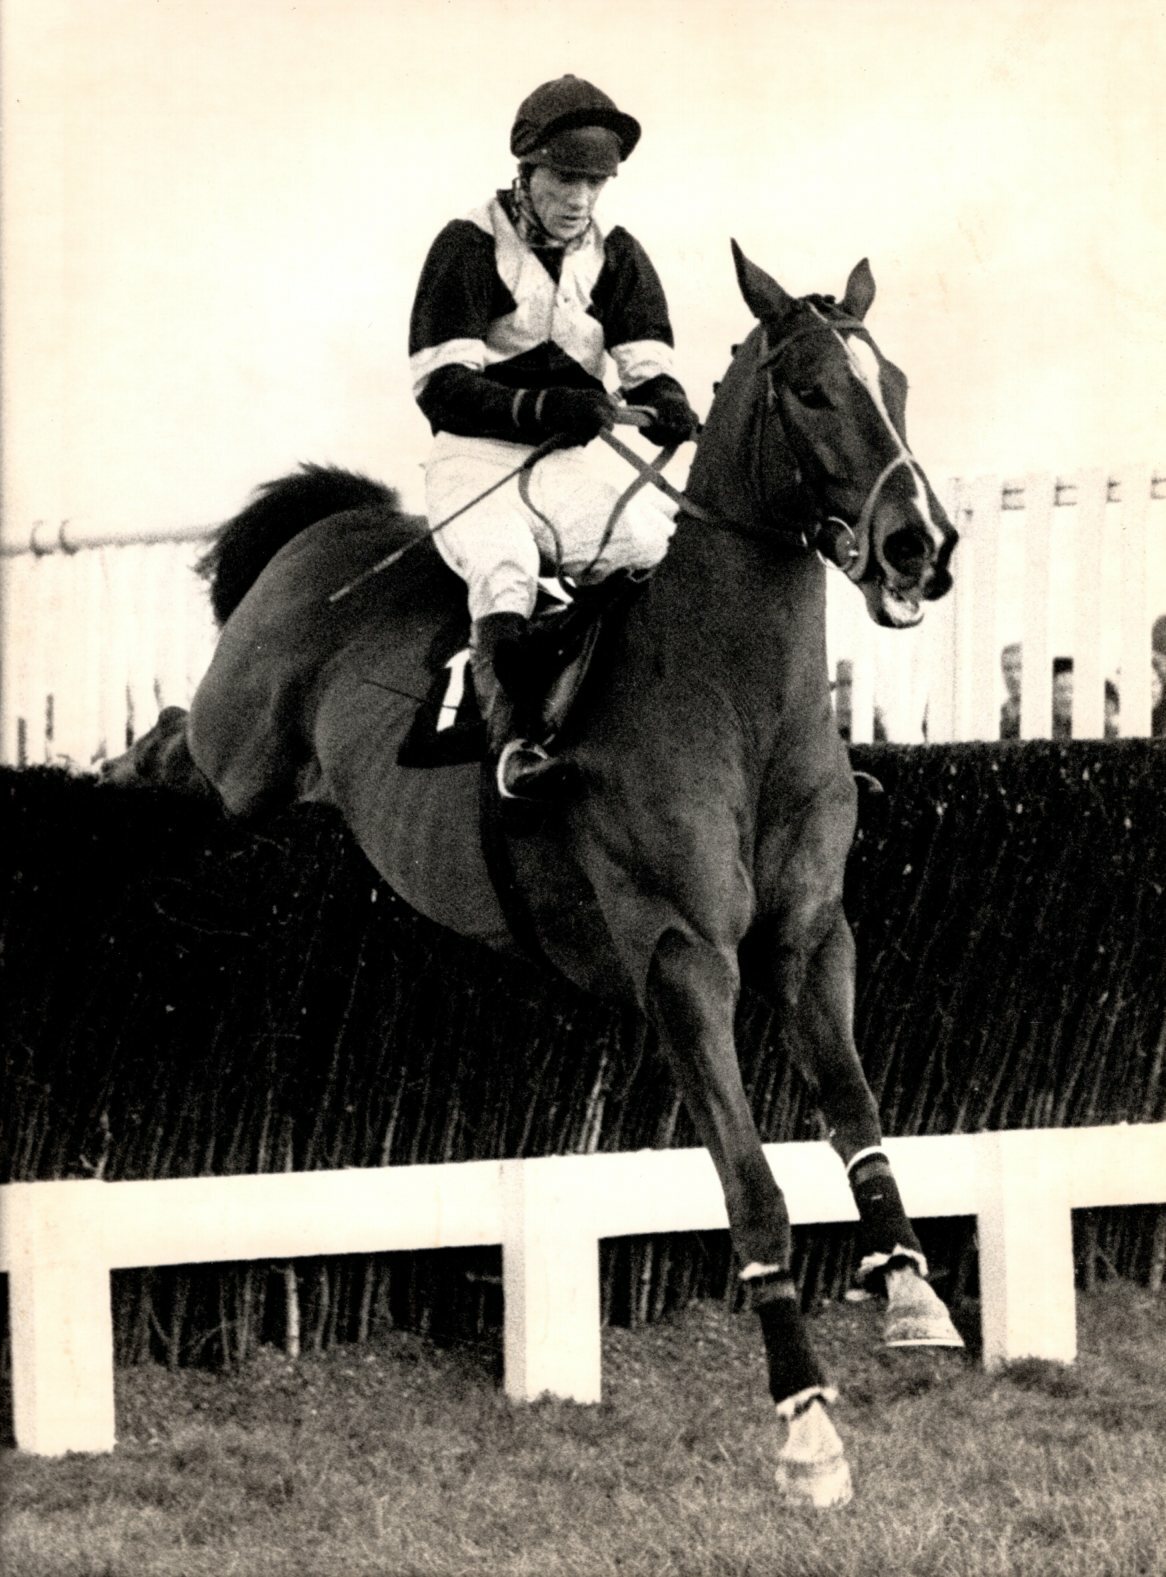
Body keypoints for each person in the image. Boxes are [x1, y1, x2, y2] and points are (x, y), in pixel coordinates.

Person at [408, 74, 700, 799]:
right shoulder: (468, 244)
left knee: (649, 545)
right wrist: (542, 407)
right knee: (503, 564)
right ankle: (512, 750)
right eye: (566, 179)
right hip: (476, 461)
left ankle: (641, 727)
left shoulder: (620, 255)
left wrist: (667, 401)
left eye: (596, 183)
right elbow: (439, 390)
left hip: (569, 462)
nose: (581, 200)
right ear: (527, 169)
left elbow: (647, 364)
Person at [999, 641, 1021, 740]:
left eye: (1019, 668)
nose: (1013, 676)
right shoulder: (1001, 714)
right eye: (1007, 669)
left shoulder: (1044, 712)